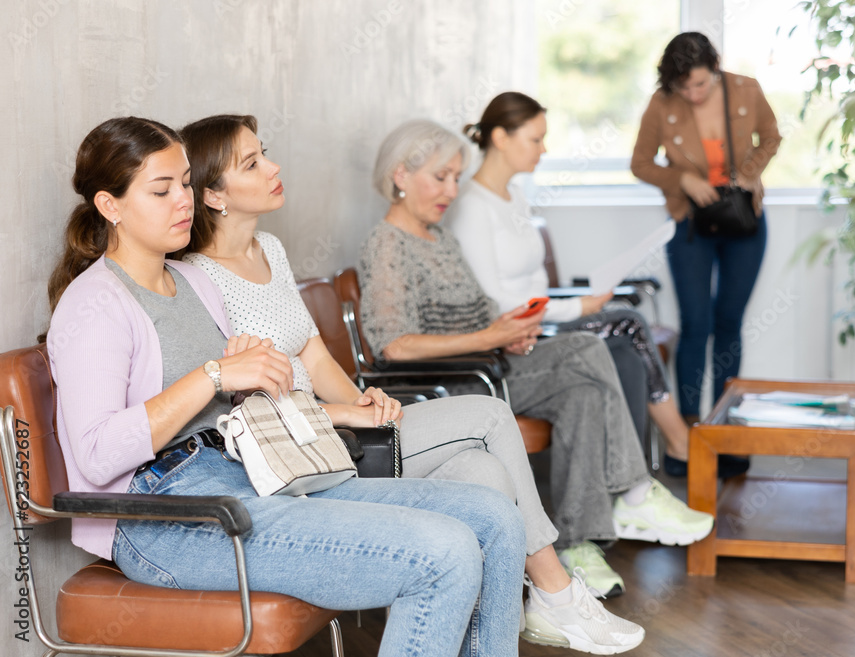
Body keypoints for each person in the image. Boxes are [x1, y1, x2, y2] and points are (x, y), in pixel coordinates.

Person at [45, 116, 526, 657]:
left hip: (249, 476)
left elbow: (240, 405)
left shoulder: (194, 281)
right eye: (162, 190)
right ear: (110, 206)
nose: (183, 200)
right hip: (170, 514)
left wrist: (336, 411)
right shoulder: (94, 305)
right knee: (444, 551)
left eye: (184, 182)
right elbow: (95, 454)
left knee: (495, 520)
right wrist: (212, 377)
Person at [176, 114, 644, 654]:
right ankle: (555, 591)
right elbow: (241, 409)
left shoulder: (271, 251)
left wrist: (361, 398)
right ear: (213, 194)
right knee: (490, 414)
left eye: (266, 153)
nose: (274, 167)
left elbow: (310, 351)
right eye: (253, 163)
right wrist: (348, 414)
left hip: (341, 431)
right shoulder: (197, 279)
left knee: (485, 473)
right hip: (299, 452)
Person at [360, 118, 716, 599]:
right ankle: (632, 490)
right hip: (454, 383)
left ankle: (577, 544)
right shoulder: (387, 244)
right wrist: (490, 334)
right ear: (400, 175)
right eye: (440, 176)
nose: (451, 189)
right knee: (589, 347)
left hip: (487, 363)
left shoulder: (437, 236)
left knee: (584, 393)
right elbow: (394, 346)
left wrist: (509, 332)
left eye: (456, 177)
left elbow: (479, 311)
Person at [448, 91, 748, 480]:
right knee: (626, 323)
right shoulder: (472, 205)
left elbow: (535, 282)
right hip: (512, 338)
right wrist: (578, 308)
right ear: (502, 138)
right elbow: (496, 301)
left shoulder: (516, 197)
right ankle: (677, 444)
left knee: (625, 351)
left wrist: (578, 303)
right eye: (535, 139)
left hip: (538, 322)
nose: (544, 148)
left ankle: (633, 483)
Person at [631, 32, 781, 428]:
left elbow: (771, 136)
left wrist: (748, 174)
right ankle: (690, 431)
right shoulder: (661, 104)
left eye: (700, 83)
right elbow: (640, 163)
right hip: (690, 226)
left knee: (729, 322)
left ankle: (727, 426)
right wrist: (682, 179)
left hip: (742, 220)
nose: (693, 93)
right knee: (696, 324)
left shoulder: (746, 89)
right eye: (684, 86)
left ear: (715, 68)